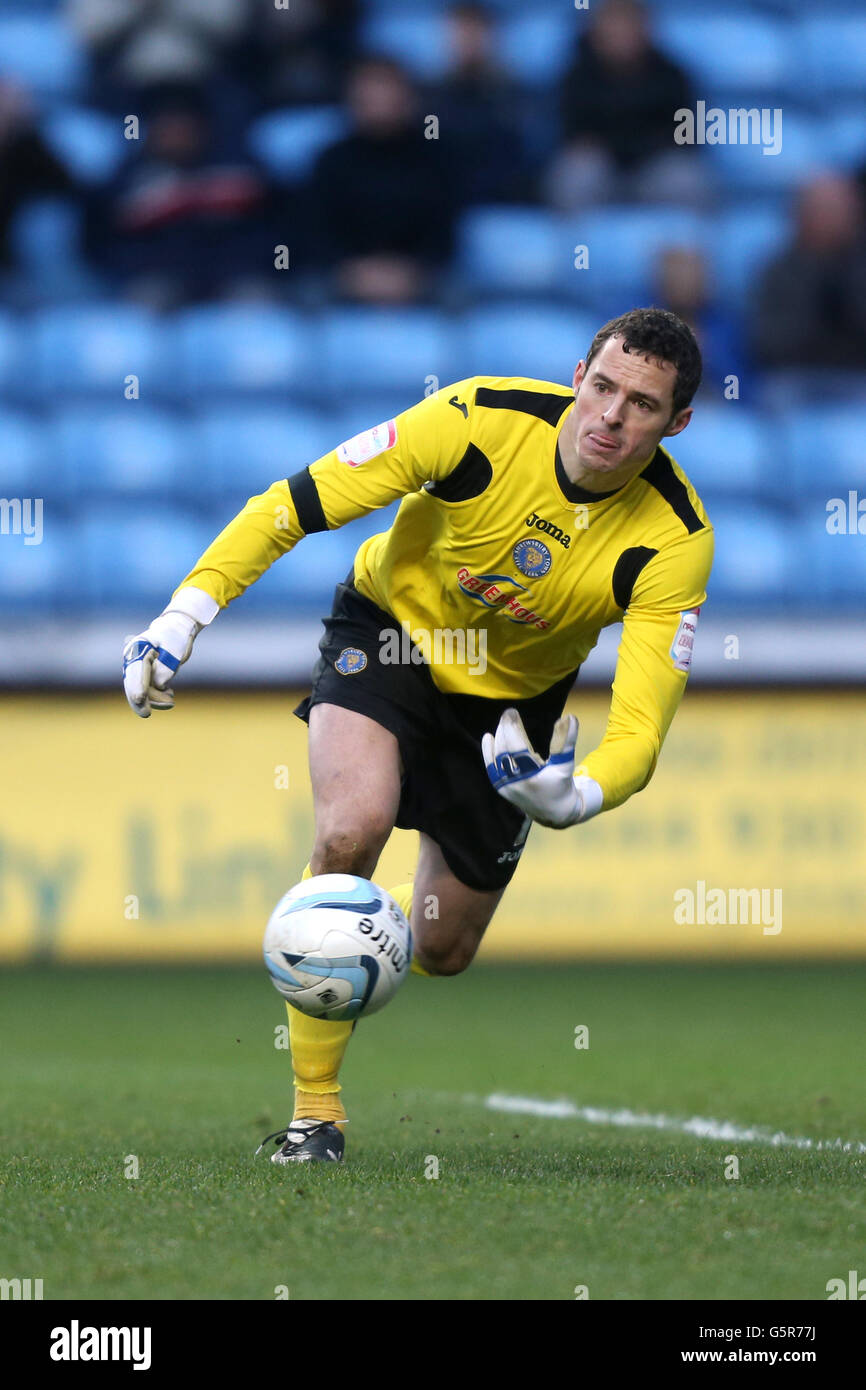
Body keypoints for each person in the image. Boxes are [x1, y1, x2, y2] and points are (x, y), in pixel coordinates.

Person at [122, 306, 714, 1164]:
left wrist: (577, 793)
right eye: (603, 388)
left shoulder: (674, 540)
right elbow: (294, 503)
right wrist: (186, 614)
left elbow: (641, 728)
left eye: (643, 406)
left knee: (442, 945)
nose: (611, 419)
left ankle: (370, 940)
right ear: (577, 375)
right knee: (347, 830)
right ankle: (314, 1117)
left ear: (678, 423)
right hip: (389, 639)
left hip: (508, 714)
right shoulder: (476, 420)